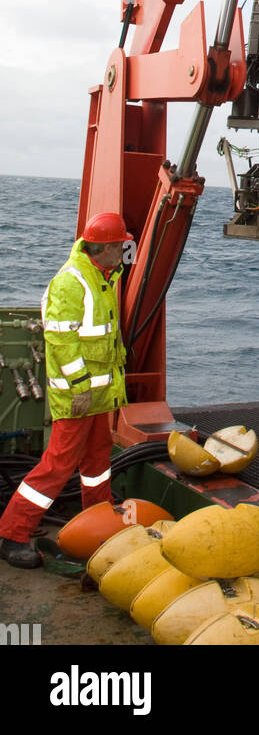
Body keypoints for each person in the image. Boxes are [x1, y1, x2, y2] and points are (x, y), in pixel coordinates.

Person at [0, 212, 130, 568]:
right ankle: (13, 533)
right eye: (119, 246)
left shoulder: (101, 276)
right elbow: (60, 339)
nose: (123, 252)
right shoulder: (73, 281)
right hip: (79, 396)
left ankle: (98, 521)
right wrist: (80, 387)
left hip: (99, 395)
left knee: (96, 462)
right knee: (58, 466)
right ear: (103, 248)